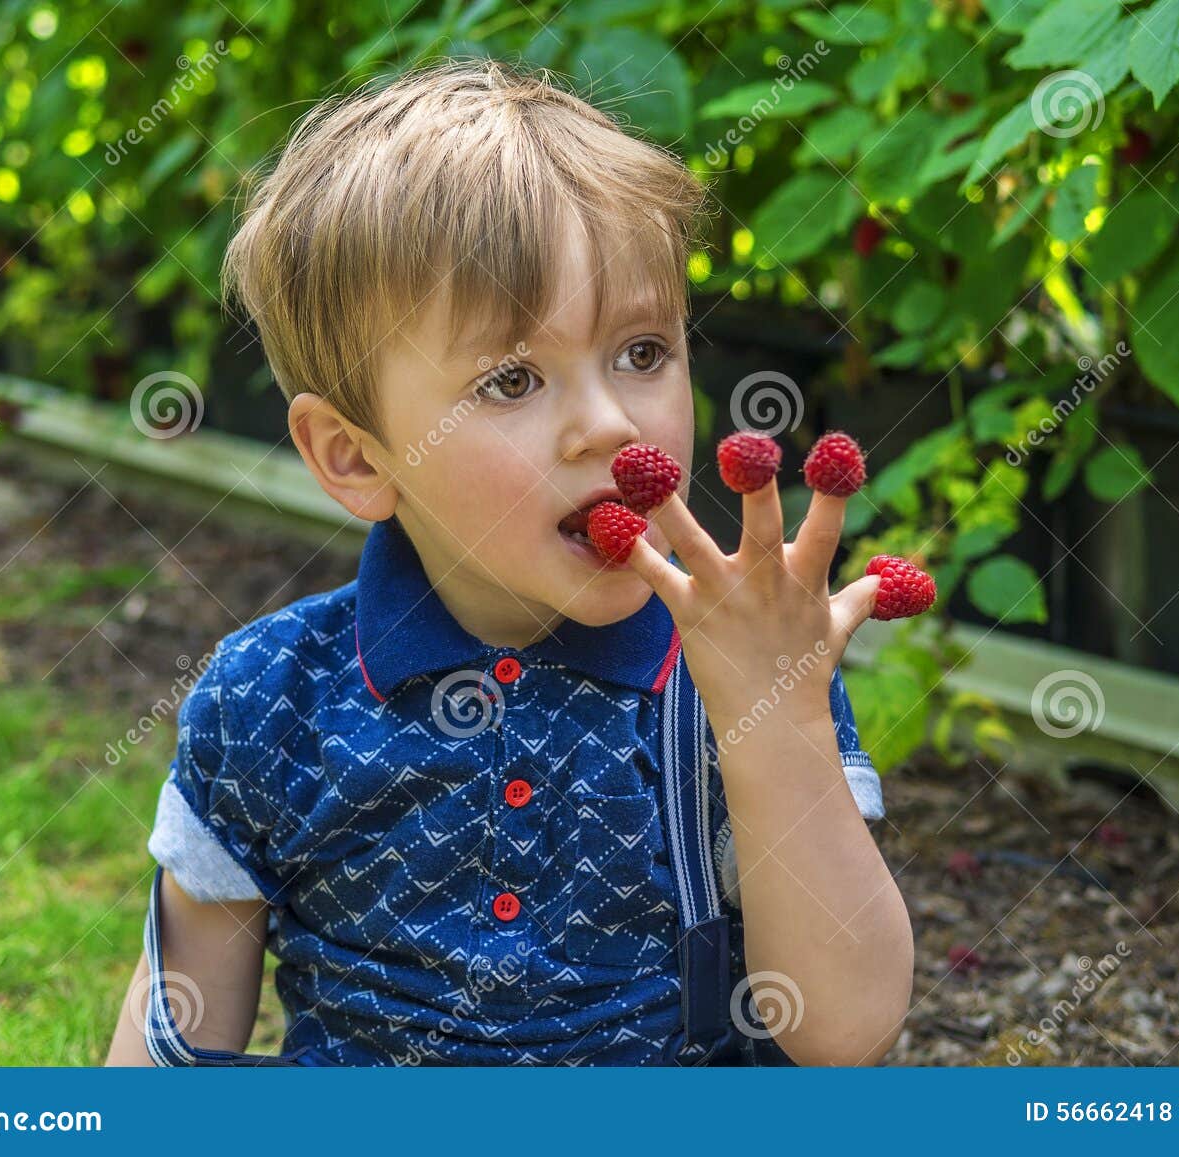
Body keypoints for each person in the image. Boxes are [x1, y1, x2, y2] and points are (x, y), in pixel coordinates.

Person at [105, 56, 912, 1067]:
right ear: (355, 455)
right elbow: (177, 1040)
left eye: (643, 351)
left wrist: (777, 719)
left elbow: (848, 1034)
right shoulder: (269, 701)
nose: (611, 424)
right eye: (514, 378)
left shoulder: (741, 664)